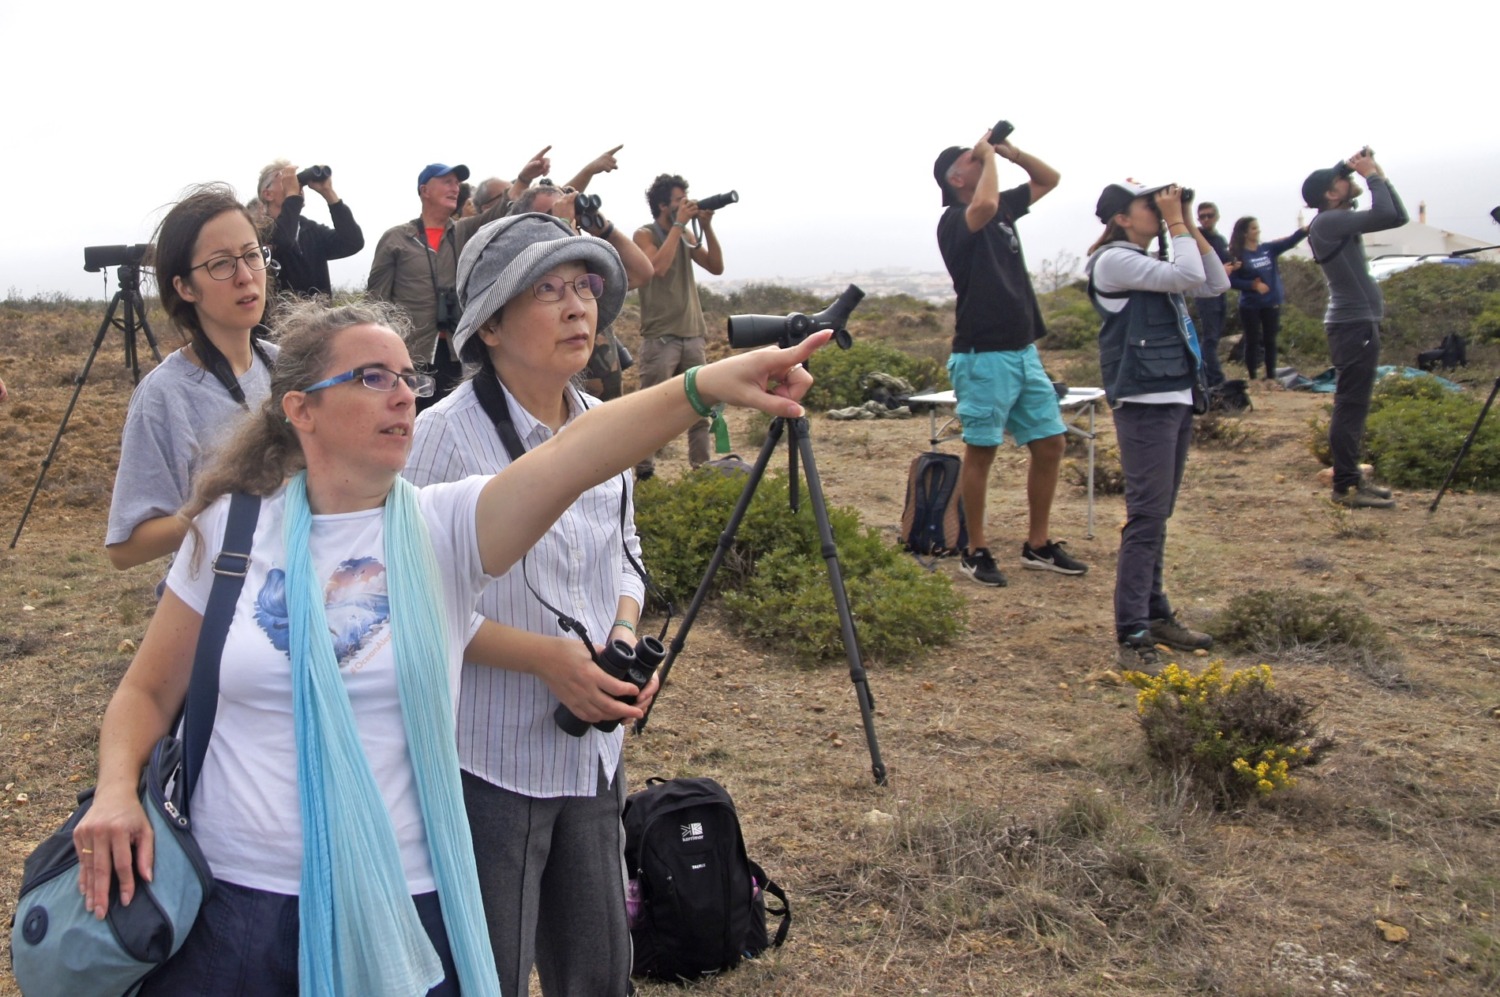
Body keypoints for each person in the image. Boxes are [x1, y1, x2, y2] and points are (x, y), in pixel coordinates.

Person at [72, 297, 828, 995]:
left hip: (402, 902)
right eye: (372, 376)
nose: (404, 393)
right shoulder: (230, 531)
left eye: (408, 376)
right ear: (299, 408)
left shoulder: (440, 531)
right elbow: (145, 693)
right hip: (234, 902)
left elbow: (581, 451)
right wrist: (114, 790)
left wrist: (703, 386)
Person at [405, 212, 648, 996]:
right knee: (490, 972)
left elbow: (628, 555)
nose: (578, 305)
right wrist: (547, 658)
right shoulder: (441, 436)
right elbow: (406, 591)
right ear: (492, 327)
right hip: (490, 753)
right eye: (547, 290)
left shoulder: (602, 426)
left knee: (601, 969)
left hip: (591, 747)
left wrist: (620, 632)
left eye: (585, 286)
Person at [1085, 181, 1229, 672]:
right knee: (1146, 515)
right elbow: (1189, 275)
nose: (1161, 210)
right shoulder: (1114, 260)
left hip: (1173, 392)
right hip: (1145, 398)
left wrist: (1183, 220)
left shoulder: (1149, 260)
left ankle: (1156, 610)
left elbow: (1214, 283)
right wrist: (1176, 222)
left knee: (1158, 513)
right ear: (1123, 218)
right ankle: (1133, 629)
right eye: (1151, 205)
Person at [933, 128, 1087, 587]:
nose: (979, 161)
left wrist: (1008, 152)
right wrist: (986, 158)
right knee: (982, 450)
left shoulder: (1002, 207)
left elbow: (1049, 179)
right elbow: (982, 206)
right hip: (983, 356)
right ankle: (975, 549)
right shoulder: (956, 218)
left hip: (1022, 352)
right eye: (970, 160)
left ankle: (1038, 544)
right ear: (955, 177)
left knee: (1051, 443)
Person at [106, 184, 277, 572]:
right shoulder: (166, 395)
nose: (245, 276)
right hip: (213, 610)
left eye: (252, 256)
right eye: (221, 264)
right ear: (183, 287)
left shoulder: (288, 370)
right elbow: (125, 548)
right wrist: (215, 512)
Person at [367, 148, 551, 408]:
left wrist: (523, 179)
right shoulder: (397, 239)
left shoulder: (464, 231)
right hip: (410, 356)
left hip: (458, 353)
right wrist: (379, 355)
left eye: (457, 183)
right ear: (424, 190)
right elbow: (375, 301)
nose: (455, 188)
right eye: (446, 182)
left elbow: (499, 214)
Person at [1302, 147, 1408, 508]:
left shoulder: (1333, 218)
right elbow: (1387, 213)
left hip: (1356, 323)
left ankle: (1349, 480)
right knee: (1351, 406)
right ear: (1331, 195)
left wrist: (1370, 171)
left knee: (1354, 405)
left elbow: (1397, 217)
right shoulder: (1329, 221)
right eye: (1342, 181)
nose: (1349, 182)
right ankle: (1346, 486)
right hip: (1352, 325)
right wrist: (1371, 176)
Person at [631, 172, 725, 478]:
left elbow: (715, 266)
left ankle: (701, 468)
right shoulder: (644, 235)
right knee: (651, 407)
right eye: (678, 201)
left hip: (691, 333)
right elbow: (656, 268)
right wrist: (678, 226)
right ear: (662, 205)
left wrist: (706, 227)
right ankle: (644, 471)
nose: (686, 204)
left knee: (700, 406)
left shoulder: (685, 233)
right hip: (661, 337)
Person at [256, 161, 365, 297]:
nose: (296, 184)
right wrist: (292, 196)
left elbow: (353, 242)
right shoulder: (258, 231)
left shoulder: (310, 230)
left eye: (296, 179)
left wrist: (329, 193)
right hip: (281, 317)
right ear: (268, 194)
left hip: (319, 317)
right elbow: (283, 239)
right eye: (286, 179)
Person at [1228, 216, 1308, 383]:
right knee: (1252, 340)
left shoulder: (1267, 249)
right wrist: (1252, 285)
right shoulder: (1238, 255)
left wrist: (1305, 230)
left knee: (1270, 339)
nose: (1258, 231)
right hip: (1250, 305)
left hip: (1271, 302)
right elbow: (1231, 280)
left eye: (1257, 227)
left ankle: (1270, 376)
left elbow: (1289, 242)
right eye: (1253, 228)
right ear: (1244, 233)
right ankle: (1253, 377)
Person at [1191, 202, 1232, 388]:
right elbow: (1193, 268)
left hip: (1220, 291)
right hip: (1205, 293)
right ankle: (1214, 378)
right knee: (1209, 337)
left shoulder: (1219, 239)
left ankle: (1209, 375)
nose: (1206, 219)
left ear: (1216, 216)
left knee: (1213, 337)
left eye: (1209, 215)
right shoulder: (1196, 238)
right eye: (1202, 216)